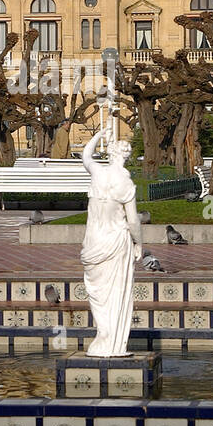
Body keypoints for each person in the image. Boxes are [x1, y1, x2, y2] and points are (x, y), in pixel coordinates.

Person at [79, 125, 143, 357]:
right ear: (127, 157)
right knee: (115, 291)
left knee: (97, 291)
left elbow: (86, 155)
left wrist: (98, 135)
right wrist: (139, 244)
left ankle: (103, 335)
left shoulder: (98, 172)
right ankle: (113, 342)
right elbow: (134, 221)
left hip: (94, 242)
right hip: (116, 241)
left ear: (110, 154)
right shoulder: (126, 184)